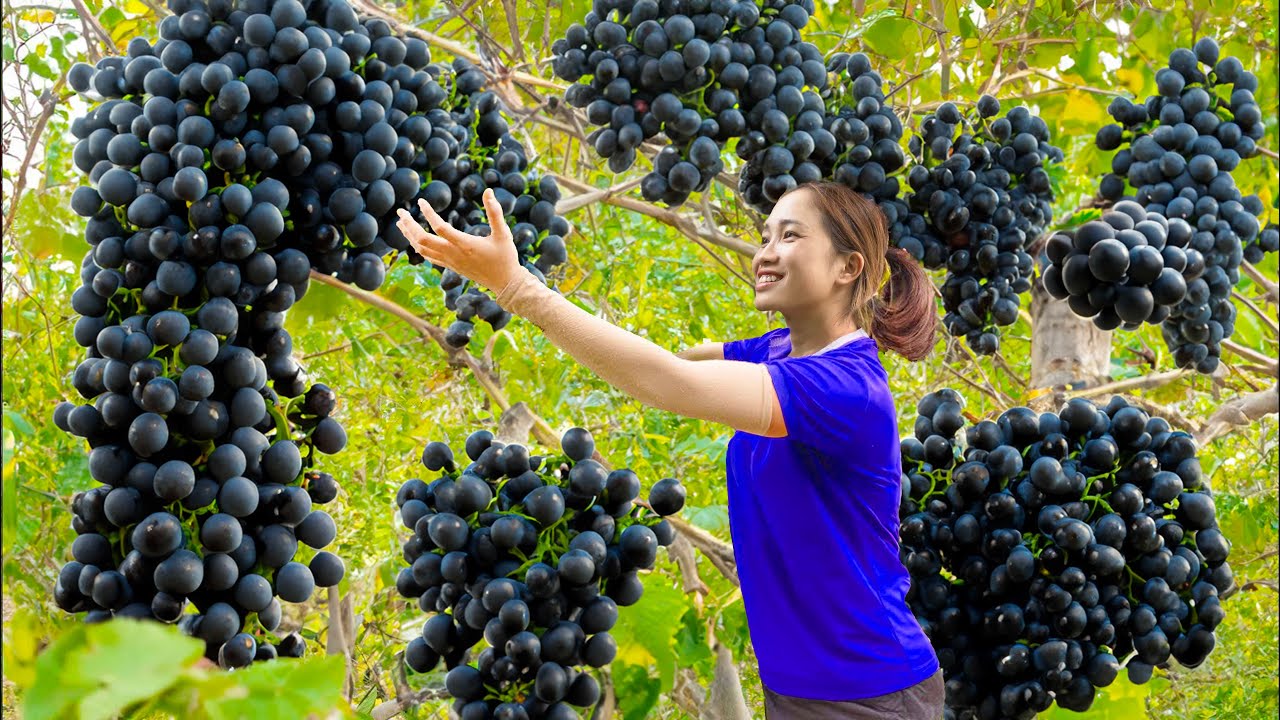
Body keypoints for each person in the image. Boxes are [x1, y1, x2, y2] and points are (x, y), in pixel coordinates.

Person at [396, 180, 945, 719]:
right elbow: (666, 363)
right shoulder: (778, 350)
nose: (765, 253)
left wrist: (518, 288)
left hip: (869, 690)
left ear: (848, 267)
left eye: (790, 237)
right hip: (800, 686)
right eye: (766, 235)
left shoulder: (844, 388)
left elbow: (668, 381)